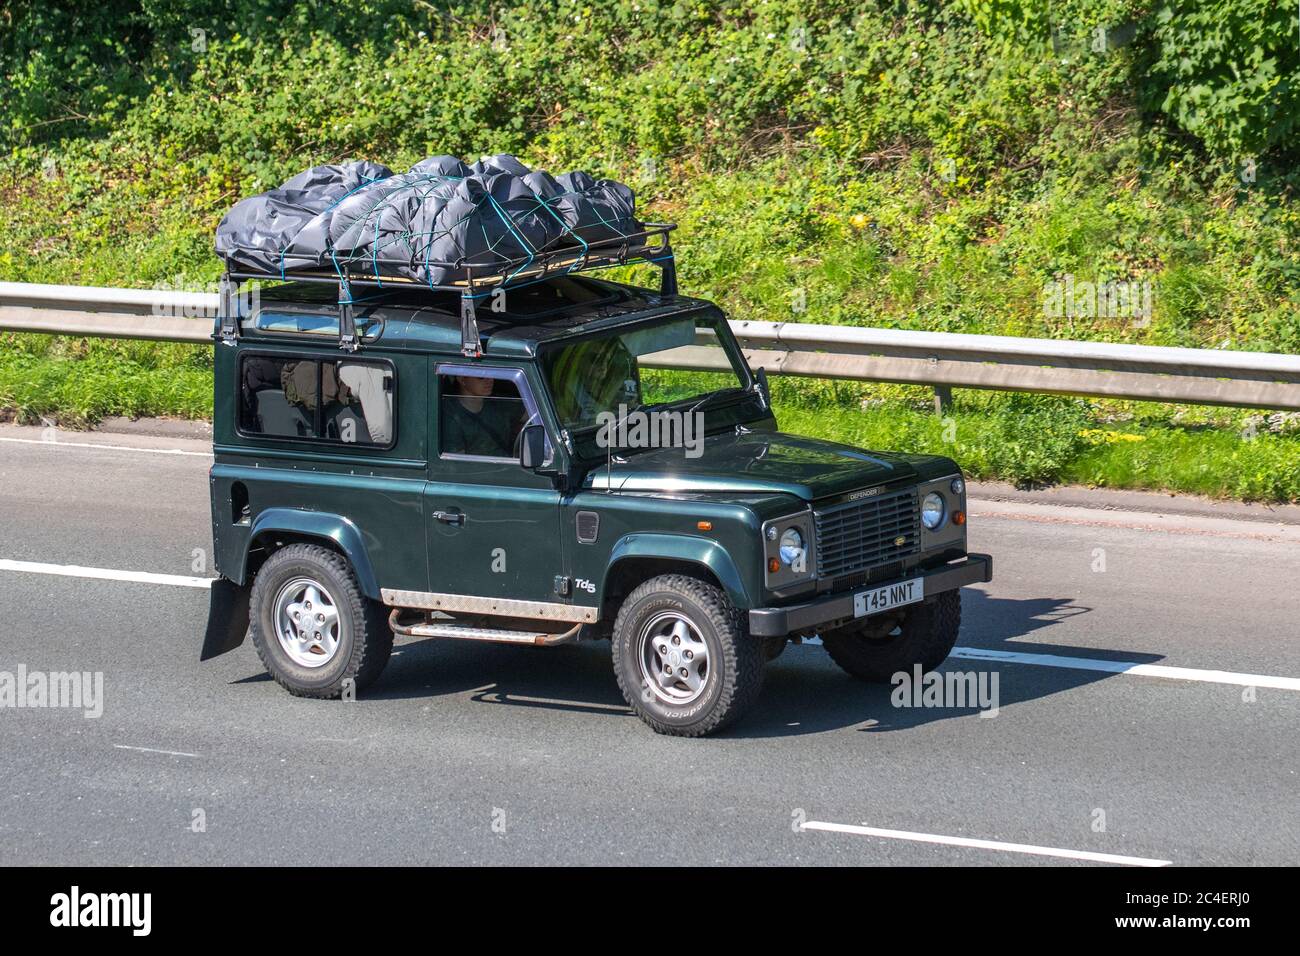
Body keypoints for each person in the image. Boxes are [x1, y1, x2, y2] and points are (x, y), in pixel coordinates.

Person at [441, 374, 522, 457]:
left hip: (508, 464)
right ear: (461, 379)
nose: (490, 380)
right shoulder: (450, 415)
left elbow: (531, 416)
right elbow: (456, 463)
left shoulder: (499, 403)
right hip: (479, 468)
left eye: (491, 374)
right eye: (481, 377)